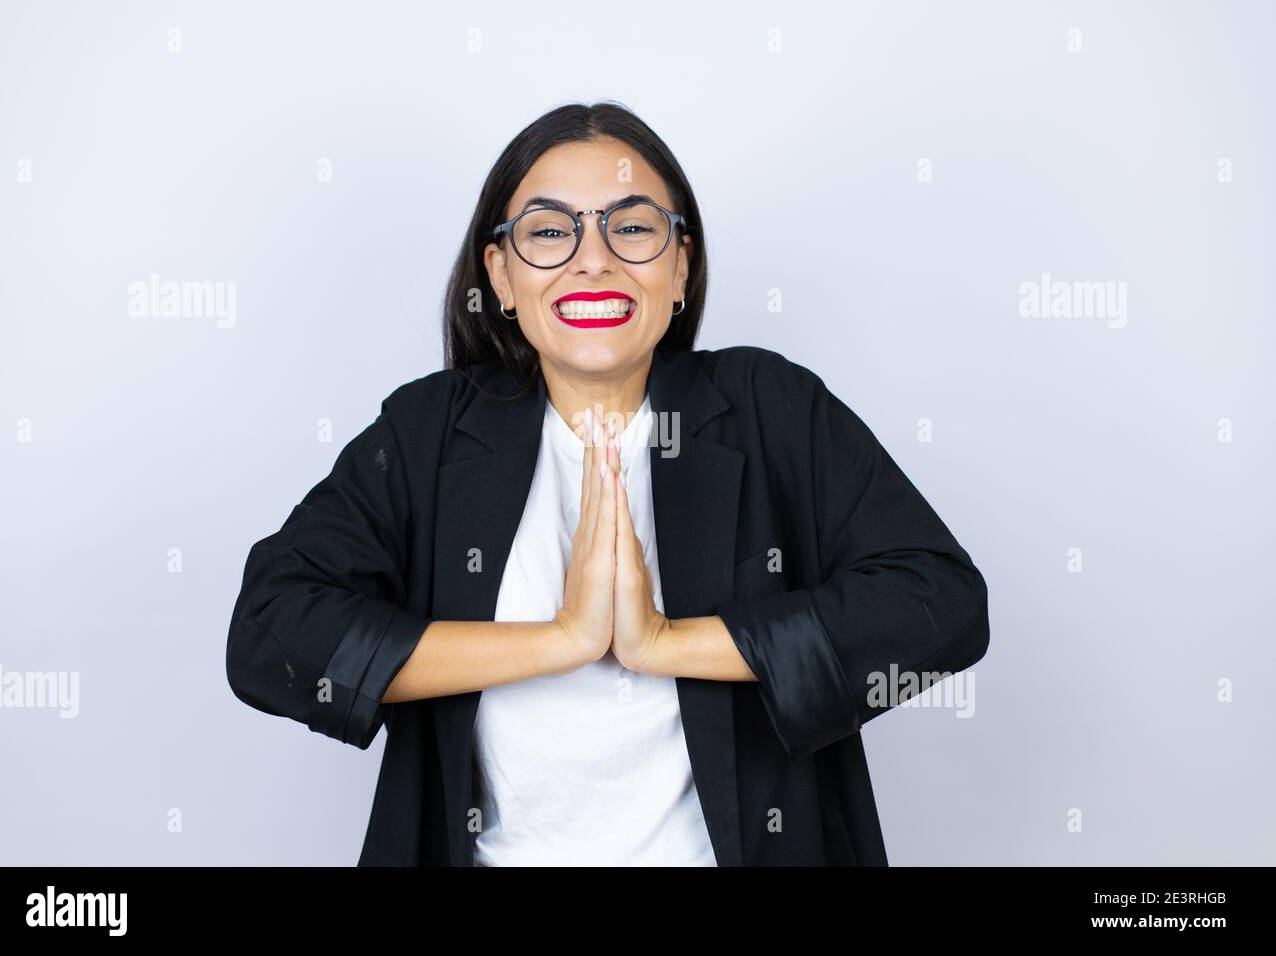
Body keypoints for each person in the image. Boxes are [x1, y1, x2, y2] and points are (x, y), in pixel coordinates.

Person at [224, 101, 991, 866]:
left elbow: (941, 606)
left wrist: (665, 641)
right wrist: (561, 639)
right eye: (551, 231)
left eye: (631, 226)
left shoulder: (769, 407)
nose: (594, 259)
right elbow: (269, 630)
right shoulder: (428, 431)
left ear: (680, 263)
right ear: (501, 277)